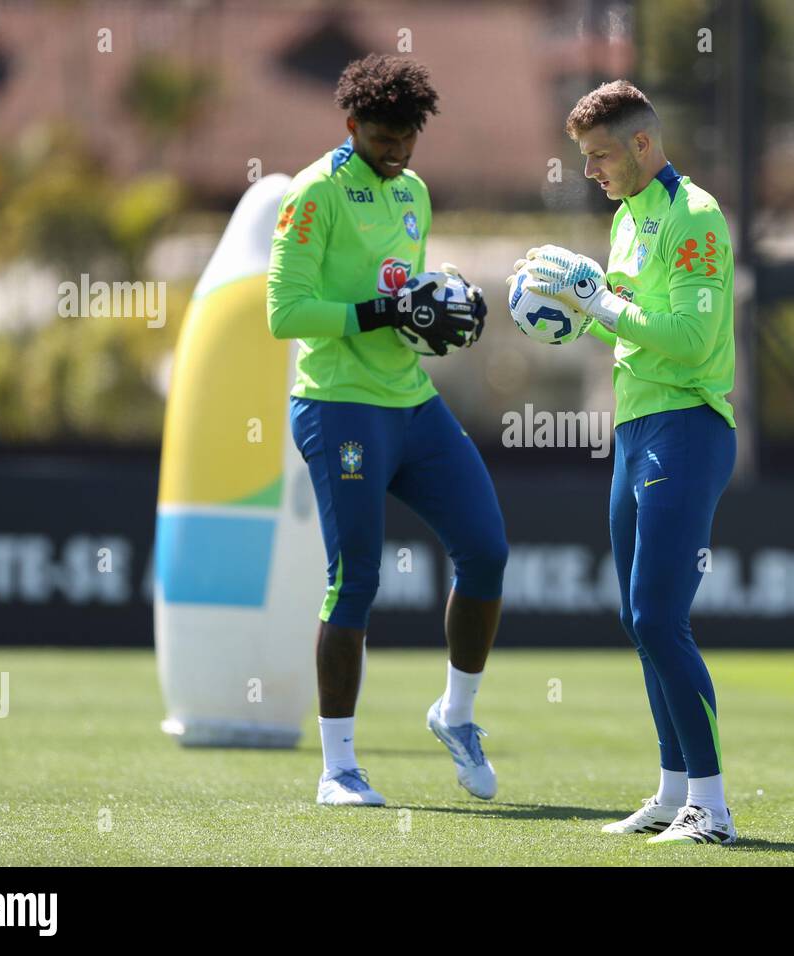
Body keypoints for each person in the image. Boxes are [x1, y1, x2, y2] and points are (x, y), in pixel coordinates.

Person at [268, 54, 508, 807]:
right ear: (351, 125)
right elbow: (286, 311)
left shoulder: (414, 193)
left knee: (488, 550)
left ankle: (456, 715)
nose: (396, 150)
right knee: (358, 579)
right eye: (381, 136)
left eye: (407, 137)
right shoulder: (315, 193)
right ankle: (338, 767)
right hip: (338, 404)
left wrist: (446, 310)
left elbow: (407, 299)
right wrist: (382, 315)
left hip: (410, 402)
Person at [511, 80, 738, 844]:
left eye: (601, 154)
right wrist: (583, 309)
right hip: (636, 426)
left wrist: (599, 303)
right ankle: (675, 792)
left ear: (644, 143)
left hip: (688, 427)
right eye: (584, 157)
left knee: (658, 616)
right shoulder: (628, 220)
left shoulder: (694, 216)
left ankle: (714, 807)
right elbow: (633, 329)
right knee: (638, 620)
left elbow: (691, 340)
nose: (591, 171)